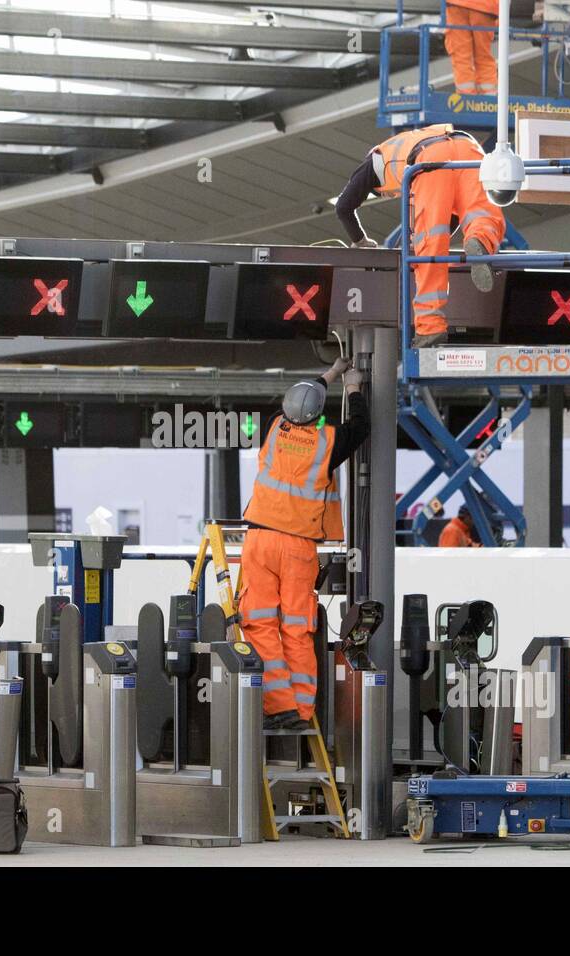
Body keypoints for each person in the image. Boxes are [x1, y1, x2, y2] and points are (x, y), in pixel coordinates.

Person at [240, 357, 370, 731]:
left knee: (259, 623)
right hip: (299, 548)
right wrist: (353, 386)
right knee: (298, 628)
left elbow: (304, 396)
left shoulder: (274, 428)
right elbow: (360, 426)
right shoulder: (328, 443)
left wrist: (328, 373)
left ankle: (277, 705)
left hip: (260, 539)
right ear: (317, 417)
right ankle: (301, 711)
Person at [335, 124, 505, 348]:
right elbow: (449, 217)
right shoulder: (408, 141)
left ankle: (429, 328)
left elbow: (343, 207)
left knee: (429, 249)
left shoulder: (374, 161)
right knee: (482, 214)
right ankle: (481, 241)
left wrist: (361, 242)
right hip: (469, 148)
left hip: (430, 160)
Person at [445, 0, 500, 96]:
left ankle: (466, 100)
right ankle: (489, 100)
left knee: (461, 57)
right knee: (483, 57)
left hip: (457, 4)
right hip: (485, 6)